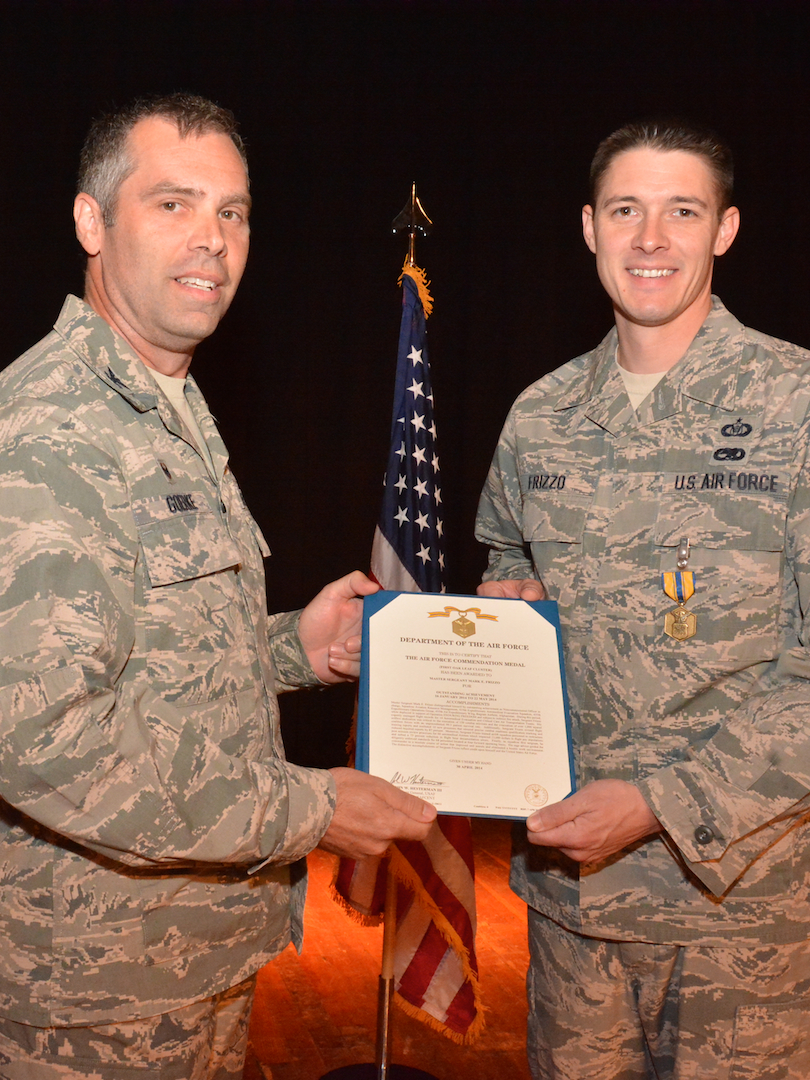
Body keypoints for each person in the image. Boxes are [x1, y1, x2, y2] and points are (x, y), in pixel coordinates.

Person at [0, 93, 436, 1078]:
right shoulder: (48, 433)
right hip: (92, 1007)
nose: (211, 240)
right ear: (91, 221)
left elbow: (146, 651)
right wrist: (314, 809)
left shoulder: (165, 401)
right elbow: (43, 739)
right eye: (173, 204)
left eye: (232, 212)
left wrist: (295, 647)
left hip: (184, 972)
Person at [476, 120, 810, 1079]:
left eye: (682, 211)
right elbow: (507, 588)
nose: (651, 238)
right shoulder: (540, 417)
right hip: (571, 903)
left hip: (744, 912)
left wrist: (664, 803)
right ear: (590, 227)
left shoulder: (795, 403)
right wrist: (505, 614)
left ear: (726, 230)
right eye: (627, 210)